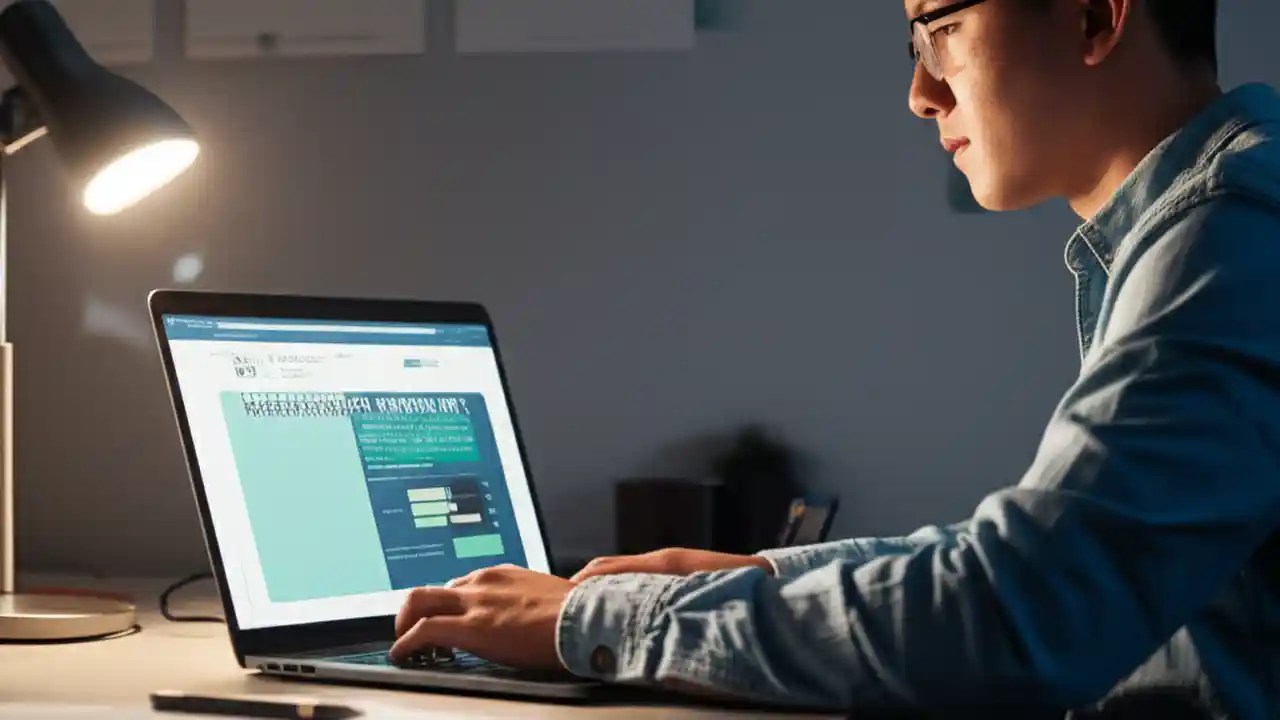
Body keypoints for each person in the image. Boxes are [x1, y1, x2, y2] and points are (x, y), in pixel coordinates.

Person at [390, 0, 1280, 716]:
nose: (921, 92)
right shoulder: (1211, 219)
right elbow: (1044, 562)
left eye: (941, 28)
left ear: (1093, 17)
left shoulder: (1231, 235)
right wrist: (765, 577)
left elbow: (1018, 616)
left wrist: (593, 619)